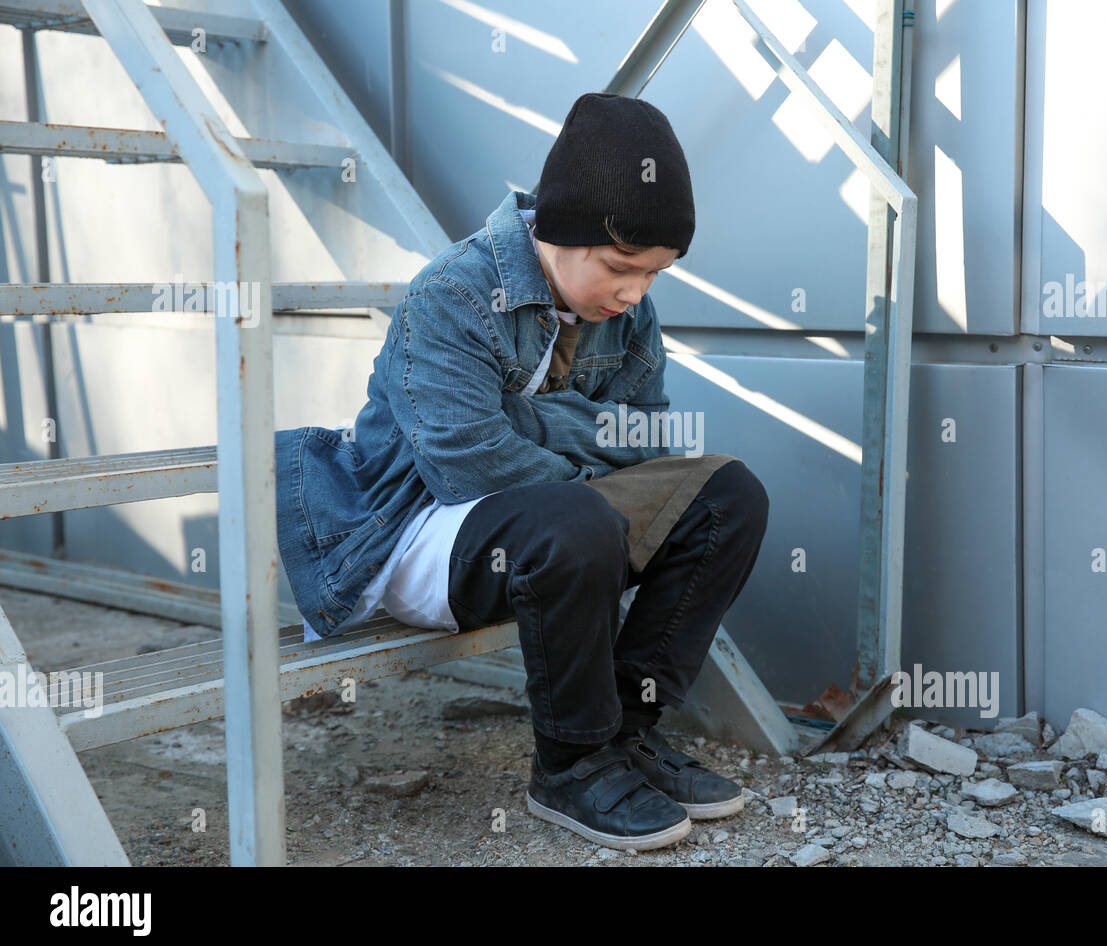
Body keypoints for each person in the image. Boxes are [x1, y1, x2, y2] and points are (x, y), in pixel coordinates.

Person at [274, 92, 770, 852]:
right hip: (411, 533)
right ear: (561, 232)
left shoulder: (627, 316)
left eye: (656, 274)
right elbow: (466, 463)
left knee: (727, 494)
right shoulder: (451, 295)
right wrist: (586, 444)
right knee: (577, 518)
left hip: (547, 525)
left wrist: (534, 421)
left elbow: (645, 439)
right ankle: (571, 766)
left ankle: (628, 734)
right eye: (620, 267)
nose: (636, 292)